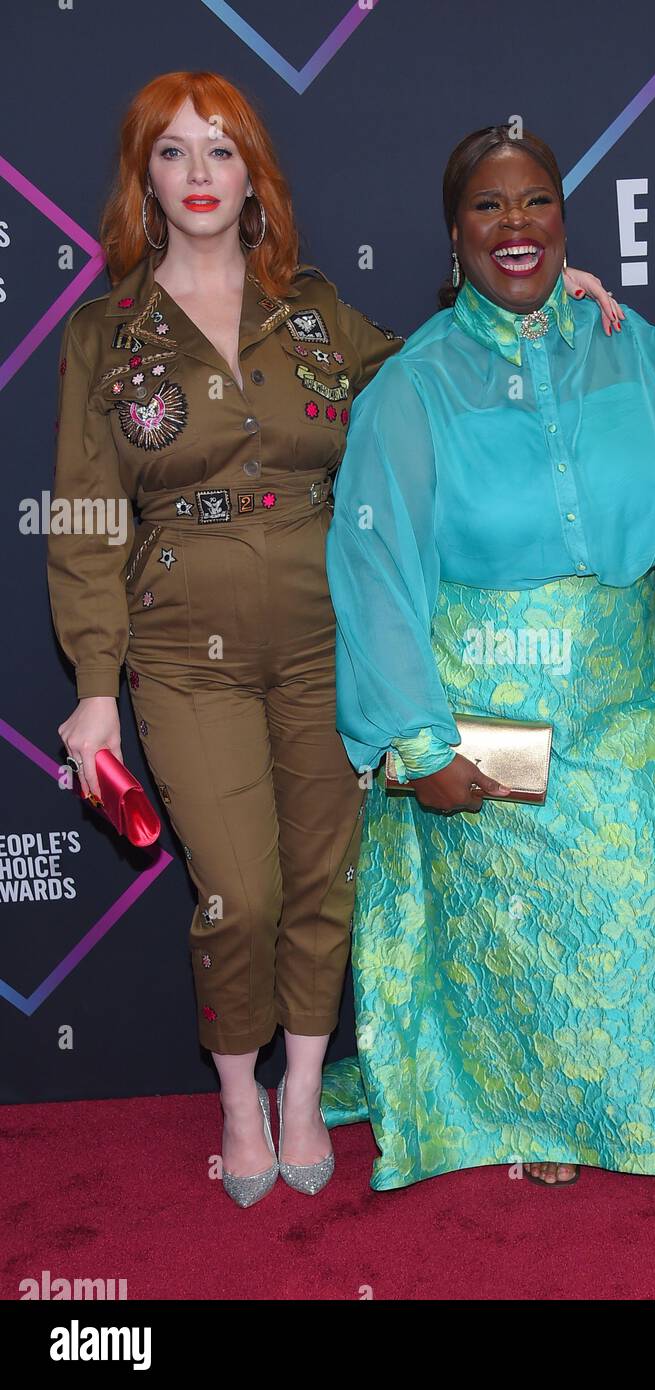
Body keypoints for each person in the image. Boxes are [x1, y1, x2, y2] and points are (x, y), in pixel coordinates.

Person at [321, 126, 655, 1191]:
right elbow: (375, 568)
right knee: (518, 952)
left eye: (535, 202)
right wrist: (414, 740)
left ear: (565, 217)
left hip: (629, 718)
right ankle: (517, 1115)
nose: (516, 225)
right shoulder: (412, 386)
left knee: (646, 991)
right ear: (453, 234)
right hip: (490, 729)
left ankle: (627, 1115)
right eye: (489, 208)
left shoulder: (633, 347)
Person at [47, 70, 406, 1206]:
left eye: (220, 151)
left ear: (254, 175)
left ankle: (303, 1092)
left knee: (320, 875)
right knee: (237, 894)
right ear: (144, 178)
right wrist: (94, 687)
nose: (198, 175)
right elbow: (88, 516)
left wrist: (535, 308)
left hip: (324, 636)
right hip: (178, 647)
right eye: (174, 153)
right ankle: (237, 1094)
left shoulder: (313, 310)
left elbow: (429, 380)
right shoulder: (105, 334)